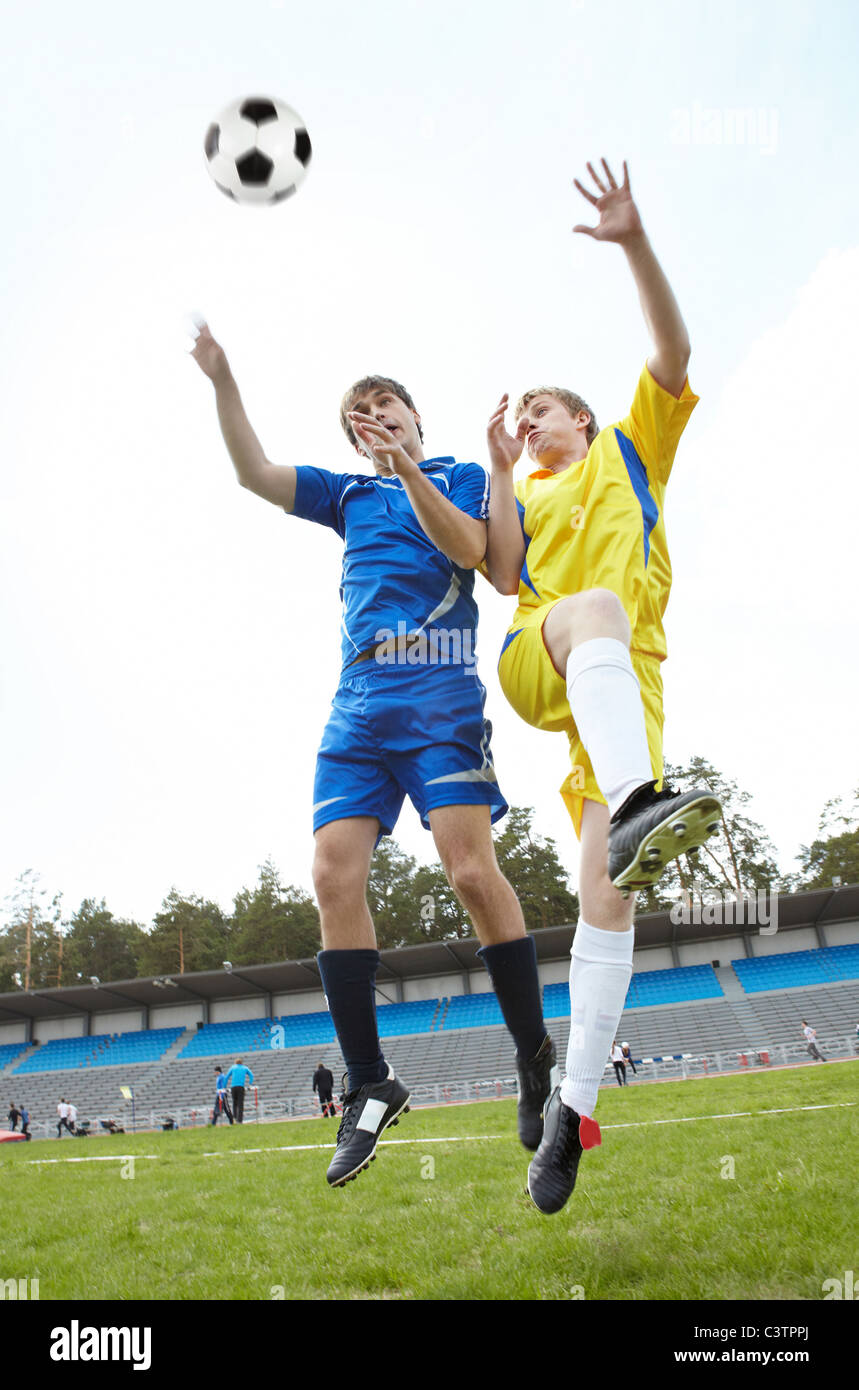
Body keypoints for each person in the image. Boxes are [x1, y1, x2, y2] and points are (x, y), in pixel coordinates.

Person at [190, 325, 558, 1189]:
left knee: (470, 874)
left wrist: (408, 470)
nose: (373, 422)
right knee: (331, 878)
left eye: (384, 408)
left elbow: (474, 553)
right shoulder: (347, 496)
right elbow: (251, 472)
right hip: (355, 705)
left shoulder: (463, 476)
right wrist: (224, 378)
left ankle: (533, 1053)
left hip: (437, 694)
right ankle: (370, 1084)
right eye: (360, 418)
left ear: (414, 417)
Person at [484, 158, 722, 1215]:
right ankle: (637, 808)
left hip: (626, 697)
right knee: (594, 614)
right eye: (522, 416)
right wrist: (492, 472)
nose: (530, 421)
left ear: (579, 418)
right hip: (544, 655)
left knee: (605, 899)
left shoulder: (629, 450)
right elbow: (486, 564)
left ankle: (568, 1116)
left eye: (542, 410)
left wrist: (631, 242)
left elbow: (672, 350)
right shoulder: (525, 505)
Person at [224, 1058, 255, 1123]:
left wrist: (224, 1086)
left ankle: (234, 1118)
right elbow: (251, 1075)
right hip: (241, 1087)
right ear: (241, 1063)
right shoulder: (245, 1068)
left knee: (234, 1103)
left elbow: (226, 1077)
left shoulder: (232, 1067)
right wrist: (250, 1084)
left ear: (235, 1063)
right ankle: (240, 1120)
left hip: (233, 1087)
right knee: (240, 1104)